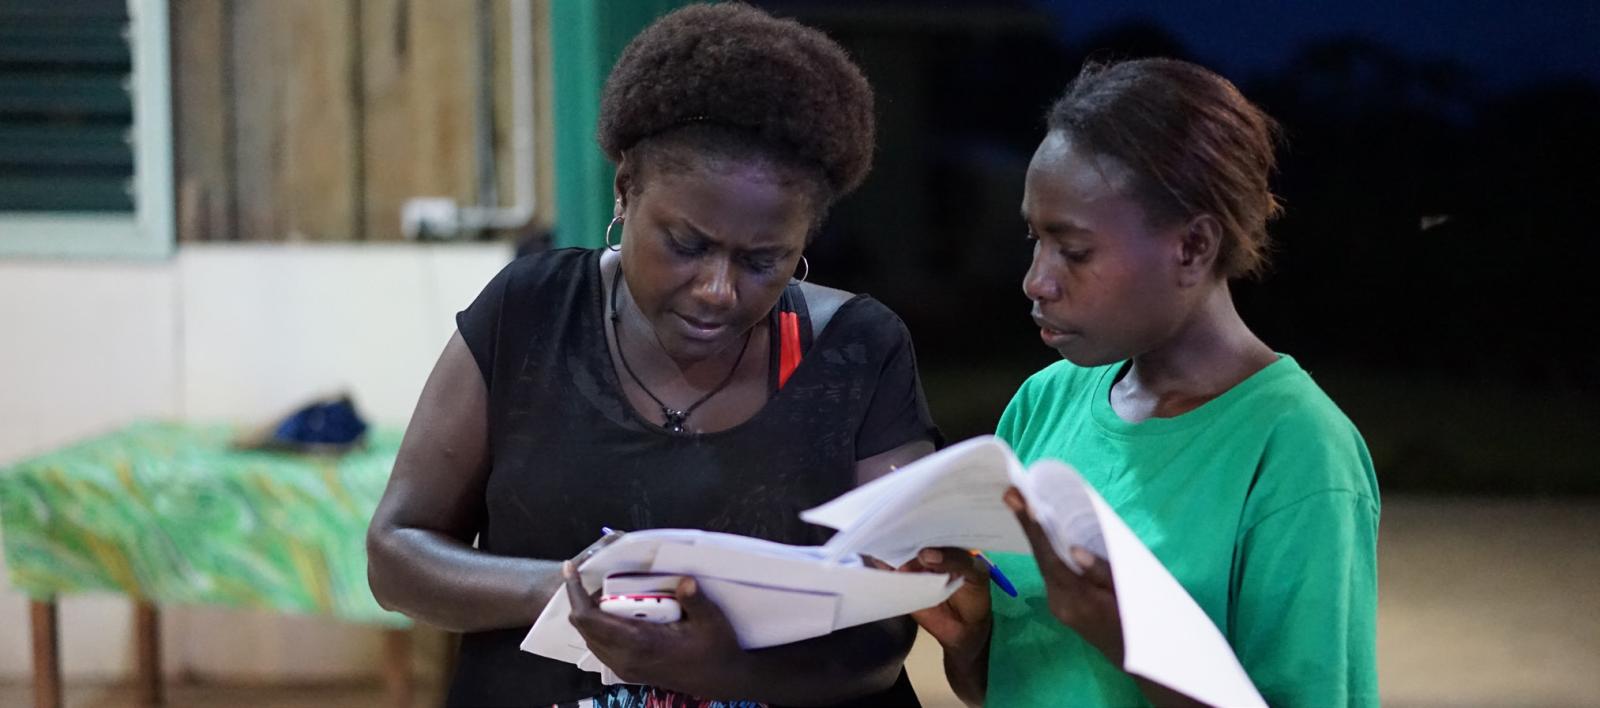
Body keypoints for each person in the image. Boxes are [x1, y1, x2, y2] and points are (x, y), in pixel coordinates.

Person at [365, 5, 940, 707]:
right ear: (625, 189)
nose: (718, 290)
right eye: (687, 244)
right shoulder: (532, 312)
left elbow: (888, 628)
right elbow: (396, 553)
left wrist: (727, 665)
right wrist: (566, 590)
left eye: (765, 260)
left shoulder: (856, 351)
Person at [906, 58, 1380, 707]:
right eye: (1034, 239)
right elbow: (1019, 686)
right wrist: (974, 641)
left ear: (1192, 247)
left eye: (1072, 250)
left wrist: (1136, 642)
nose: (1036, 280)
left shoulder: (1298, 449)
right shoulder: (1042, 405)